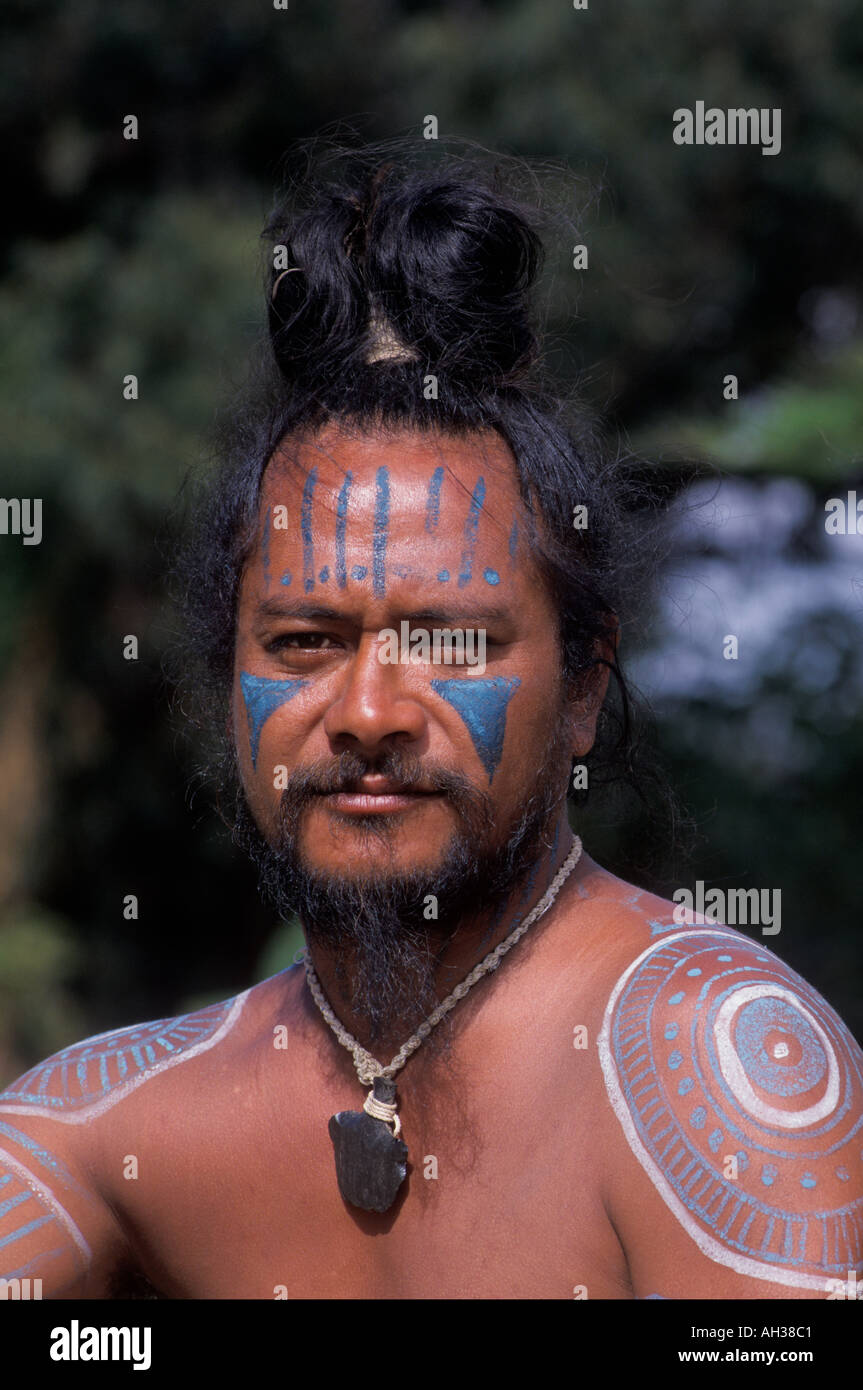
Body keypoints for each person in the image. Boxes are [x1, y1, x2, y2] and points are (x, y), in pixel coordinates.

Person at [1, 142, 860, 1300]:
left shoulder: (722, 1082)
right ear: (227, 679)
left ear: (583, 688)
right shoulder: (98, 1133)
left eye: (450, 643)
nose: (365, 712)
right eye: (303, 643)